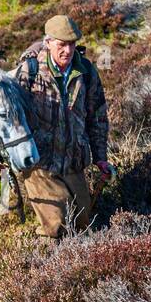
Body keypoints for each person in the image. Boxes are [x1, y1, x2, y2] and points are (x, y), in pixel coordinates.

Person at [12, 14, 112, 239]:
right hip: (40, 164)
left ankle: (73, 270)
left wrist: (100, 157)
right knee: (56, 225)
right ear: (48, 43)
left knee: (83, 222)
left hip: (74, 161)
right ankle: (46, 268)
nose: (67, 50)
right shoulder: (29, 72)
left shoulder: (86, 71)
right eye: (61, 45)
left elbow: (97, 117)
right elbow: (12, 118)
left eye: (72, 44)